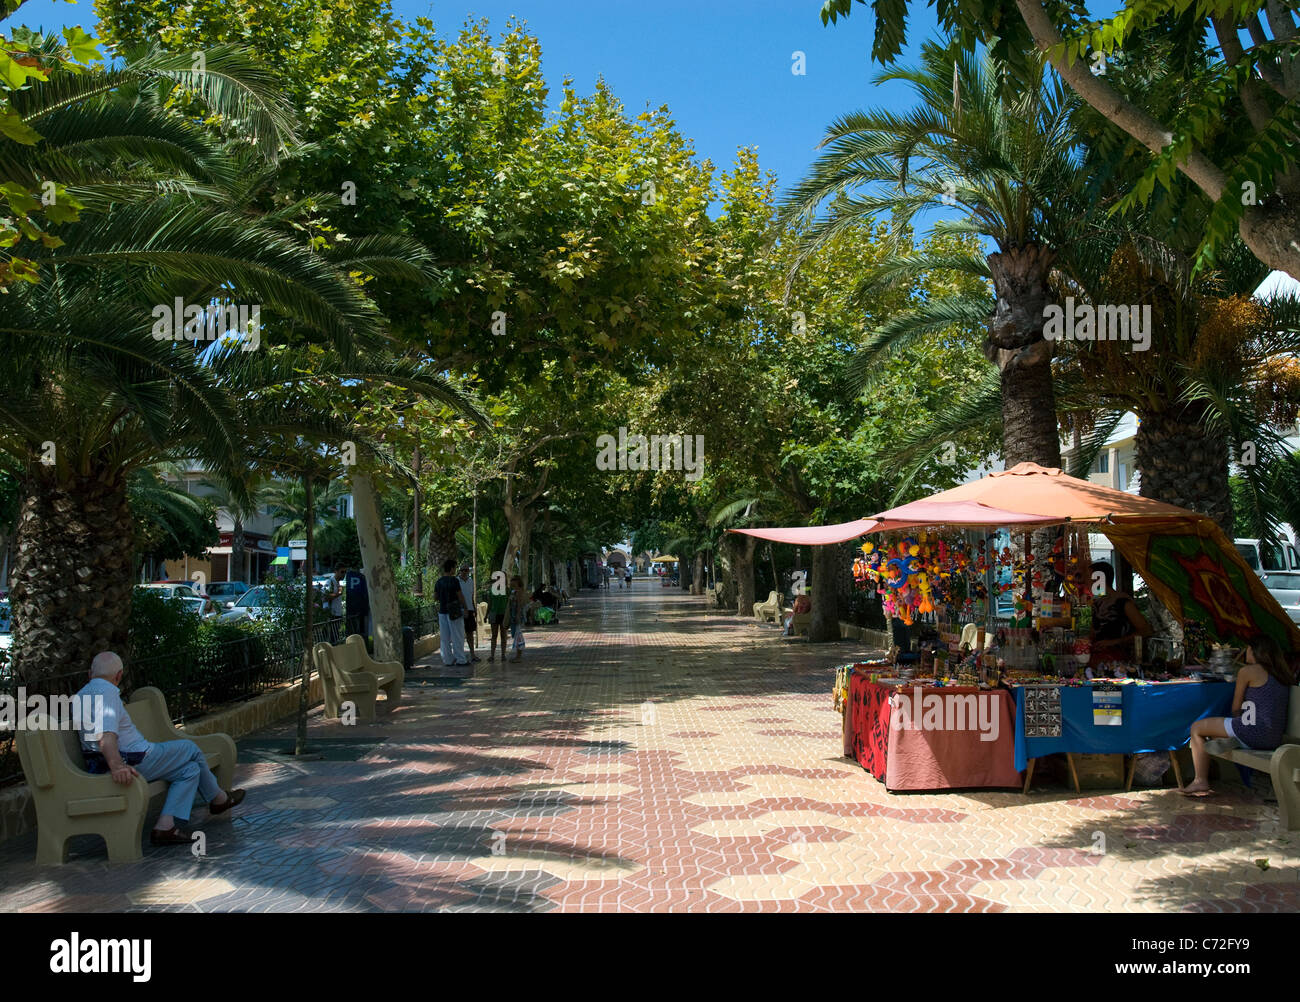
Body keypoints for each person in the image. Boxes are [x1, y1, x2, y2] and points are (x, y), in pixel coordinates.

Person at [75, 652, 245, 846]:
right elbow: (105, 735)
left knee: (190, 770)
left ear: (90, 674)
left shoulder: (82, 695)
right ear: (119, 675)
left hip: (103, 762)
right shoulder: (107, 693)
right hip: (132, 761)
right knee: (189, 748)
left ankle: (165, 826)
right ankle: (218, 798)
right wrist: (117, 766)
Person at [1182, 635, 1296, 797]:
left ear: (1256, 651)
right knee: (1223, 728)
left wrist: (1236, 721)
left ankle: (1200, 780)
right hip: (1273, 738)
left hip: (1252, 732)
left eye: (1248, 648)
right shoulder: (1283, 674)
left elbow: (1236, 708)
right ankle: (1232, 740)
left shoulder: (1247, 671)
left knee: (1197, 728)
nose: (1245, 652)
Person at [1087, 560, 1152, 668]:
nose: (1086, 581)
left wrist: (1114, 642)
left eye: (1088, 577)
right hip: (1099, 662)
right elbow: (1094, 633)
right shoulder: (1097, 603)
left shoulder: (1121, 601)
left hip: (1121, 663)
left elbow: (1146, 630)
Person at [434, 558, 468, 667]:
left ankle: (447, 660)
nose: (455, 570)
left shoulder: (438, 582)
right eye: (455, 567)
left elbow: (435, 597)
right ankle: (461, 659)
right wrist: (465, 608)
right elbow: (460, 596)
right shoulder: (454, 581)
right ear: (452, 568)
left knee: (445, 637)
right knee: (457, 635)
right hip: (454, 611)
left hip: (442, 611)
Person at [458, 564, 480, 662]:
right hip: (460, 610)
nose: (464, 572)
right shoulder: (456, 581)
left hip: (470, 610)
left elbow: (471, 596)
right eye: (462, 570)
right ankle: (460, 655)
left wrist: (474, 608)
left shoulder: (471, 581)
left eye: (466, 570)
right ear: (459, 571)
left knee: (470, 633)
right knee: (459, 634)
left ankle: (472, 654)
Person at [486, 577, 509, 662]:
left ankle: (503, 655)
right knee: (494, 635)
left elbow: (509, 602)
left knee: (503, 635)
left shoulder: (507, 589)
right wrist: (486, 615)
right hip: (494, 614)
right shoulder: (492, 590)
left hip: (503, 614)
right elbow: (490, 603)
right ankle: (492, 655)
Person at [507, 574, 529, 662]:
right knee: (515, 633)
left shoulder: (519, 592)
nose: (512, 586)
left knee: (518, 634)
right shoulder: (513, 592)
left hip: (517, 614)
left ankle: (518, 655)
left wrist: (517, 615)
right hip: (513, 614)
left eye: (514, 585)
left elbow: (520, 604)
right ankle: (517, 654)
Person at [345, 567, 370, 641]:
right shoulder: (362, 578)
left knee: (357, 628)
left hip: (354, 609)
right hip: (360, 609)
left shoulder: (357, 578)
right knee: (359, 628)